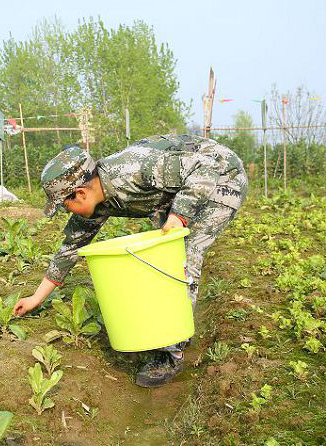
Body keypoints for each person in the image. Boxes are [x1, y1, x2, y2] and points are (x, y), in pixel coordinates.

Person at [13, 134, 248, 387]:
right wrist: (36, 298)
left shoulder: (133, 170)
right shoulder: (96, 199)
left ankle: (171, 353)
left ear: (80, 194)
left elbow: (205, 168)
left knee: (181, 253)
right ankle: (169, 324)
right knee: (163, 253)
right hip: (178, 187)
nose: (66, 212)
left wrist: (179, 216)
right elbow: (70, 248)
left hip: (222, 176)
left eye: (64, 206)